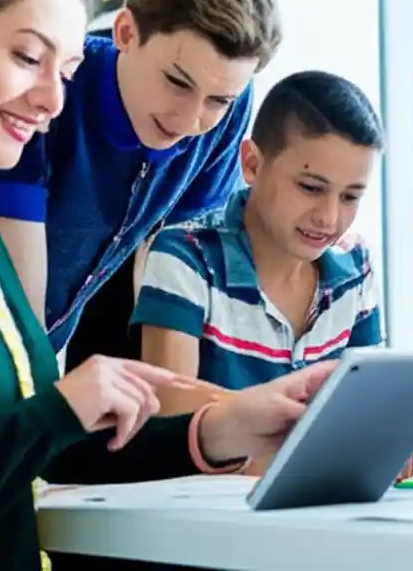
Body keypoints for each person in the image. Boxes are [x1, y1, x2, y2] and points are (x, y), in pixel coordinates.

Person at [0, 0, 337, 570]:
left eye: (68, 71)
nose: (53, 99)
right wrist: (54, 413)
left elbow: (34, 444)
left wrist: (225, 427)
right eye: (28, 58)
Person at [0, 0, 281, 357]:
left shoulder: (226, 113)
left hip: (44, 344)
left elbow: (177, 268)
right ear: (126, 32)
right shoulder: (46, 95)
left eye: (218, 99)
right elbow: (16, 319)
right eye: (177, 82)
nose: (188, 120)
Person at [133, 70, 385, 414]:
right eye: (310, 188)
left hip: (326, 469)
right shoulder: (185, 256)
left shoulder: (355, 267)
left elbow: (369, 406)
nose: (328, 217)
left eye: (350, 197)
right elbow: (170, 410)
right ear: (252, 164)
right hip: (220, 470)